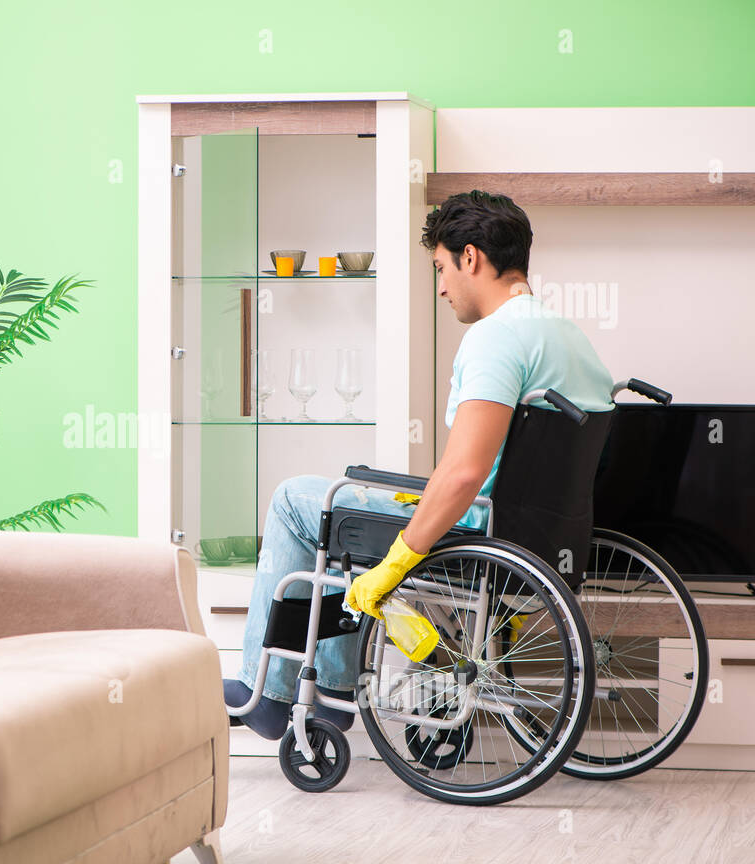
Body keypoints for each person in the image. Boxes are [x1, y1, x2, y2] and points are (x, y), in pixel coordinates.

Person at [224, 190, 616, 739]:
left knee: (299, 498)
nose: (441, 287)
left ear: (471, 258)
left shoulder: (496, 339)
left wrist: (398, 559)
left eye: (441, 267)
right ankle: (333, 693)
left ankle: (269, 692)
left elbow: (462, 475)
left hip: (476, 524)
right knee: (344, 516)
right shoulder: (567, 335)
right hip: (541, 533)